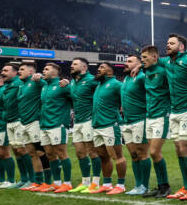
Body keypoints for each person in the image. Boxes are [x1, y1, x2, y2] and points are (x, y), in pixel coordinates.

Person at [162, 33, 187, 200]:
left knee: (185, 147)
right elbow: (151, 61)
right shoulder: (167, 62)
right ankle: (185, 186)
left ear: (181, 46)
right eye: (167, 43)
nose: (168, 45)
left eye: (172, 43)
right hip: (174, 111)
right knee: (178, 149)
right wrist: (138, 66)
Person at [139, 46, 172, 198]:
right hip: (150, 116)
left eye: (145, 57)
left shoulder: (164, 69)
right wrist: (140, 65)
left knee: (154, 151)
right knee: (153, 154)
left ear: (154, 57)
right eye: (142, 57)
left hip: (161, 115)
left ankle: (165, 186)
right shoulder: (146, 72)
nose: (142, 60)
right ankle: (160, 186)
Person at [35, 62, 72, 192]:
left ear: (55, 72)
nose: (43, 71)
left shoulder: (63, 85)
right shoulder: (45, 86)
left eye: (46, 69)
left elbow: (75, 97)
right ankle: (56, 183)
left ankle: (67, 182)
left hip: (58, 124)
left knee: (62, 153)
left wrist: (69, 83)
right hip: (44, 125)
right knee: (50, 154)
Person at [91, 61, 127, 194]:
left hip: (111, 125)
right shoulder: (99, 85)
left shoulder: (117, 84)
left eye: (102, 67)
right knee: (103, 156)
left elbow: (125, 100)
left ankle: (121, 185)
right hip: (97, 125)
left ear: (110, 71)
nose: (98, 69)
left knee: (117, 155)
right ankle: (107, 184)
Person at [69, 58, 101, 193]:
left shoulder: (92, 80)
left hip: (89, 120)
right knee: (79, 152)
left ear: (84, 67)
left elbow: (101, 95)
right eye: (72, 64)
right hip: (77, 121)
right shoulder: (72, 82)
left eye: (75, 64)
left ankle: (96, 183)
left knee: (92, 152)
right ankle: (85, 182)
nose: (71, 66)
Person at [120, 53, 150, 196]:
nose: (126, 63)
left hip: (140, 119)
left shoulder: (142, 77)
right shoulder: (126, 79)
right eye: (126, 60)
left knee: (142, 153)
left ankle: (145, 185)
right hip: (126, 121)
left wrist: (141, 66)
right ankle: (138, 185)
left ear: (138, 64)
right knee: (133, 154)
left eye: (130, 61)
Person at [16, 63, 46, 190]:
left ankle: (48, 180)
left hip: (34, 122)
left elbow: (47, 85)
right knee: (31, 153)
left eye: (22, 69)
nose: (19, 71)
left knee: (40, 152)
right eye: (18, 69)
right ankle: (37, 181)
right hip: (23, 122)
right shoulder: (21, 85)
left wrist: (40, 78)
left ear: (30, 72)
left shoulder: (36, 81)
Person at [0, 63, 22, 189]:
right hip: (9, 121)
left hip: (19, 120)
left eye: (6, 70)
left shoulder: (19, 83)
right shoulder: (7, 86)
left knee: (22, 150)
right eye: (2, 70)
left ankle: (31, 179)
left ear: (15, 73)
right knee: (16, 151)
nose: (3, 72)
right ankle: (22, 179)